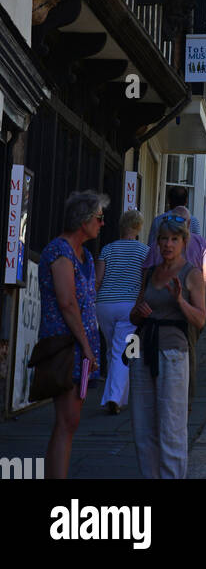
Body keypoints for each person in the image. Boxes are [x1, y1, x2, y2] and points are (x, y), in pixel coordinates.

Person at [128, 214, 205, 479]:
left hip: (173, 353)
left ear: (184, 242)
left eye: (174, 239)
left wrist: (180, 301)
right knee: (142, 429)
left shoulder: (191, 274)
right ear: (157, 242)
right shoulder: (149, 272)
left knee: (171, 428)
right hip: (142, 351)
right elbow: (133, 316)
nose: (168, 245)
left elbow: (201, 320)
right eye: (163, 239)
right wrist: (139, 312)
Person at [37, 191, 107, 479]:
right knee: (66, 421)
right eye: (99, 218)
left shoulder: (85, 256)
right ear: (84, 221)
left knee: (71, 421)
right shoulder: (59, 252)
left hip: (81, 348)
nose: (102, 224)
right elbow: (67, 303)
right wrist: (87, 347)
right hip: (66, 347)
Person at [95, 208, 148, 414]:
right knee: (122, 352)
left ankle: (118, 396)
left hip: (105, 305)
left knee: (112, 350)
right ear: (138, 228)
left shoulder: (107, 249)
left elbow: (98, 280)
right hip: (129, 306)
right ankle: (114, 398)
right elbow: (145, 282)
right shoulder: (145, 251)